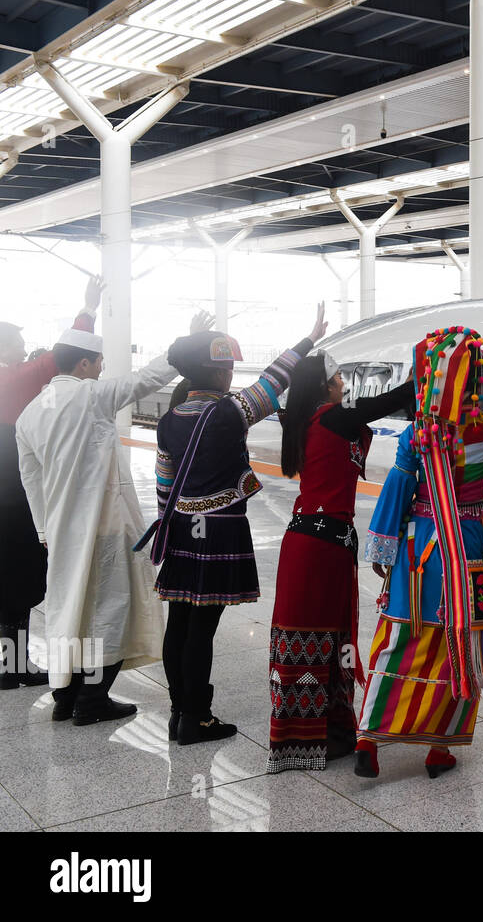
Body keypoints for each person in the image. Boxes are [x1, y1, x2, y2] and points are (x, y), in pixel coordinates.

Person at [15, 312, 209, 725]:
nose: (102, 368)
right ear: (84, 363)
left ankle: (65, 696)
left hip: (61, 531)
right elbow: (146, 379)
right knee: (111, 608)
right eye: (99, 361)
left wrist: (44, 530)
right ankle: (93, 699)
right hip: (104, 526)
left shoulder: (29, 413)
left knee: (69, 609)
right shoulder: (89, 395)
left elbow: (30, 480)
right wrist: (187, 344)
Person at [147, 306, 326, 745]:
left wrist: (170, 524)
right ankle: (196, 717)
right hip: (220, 528)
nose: (232, 376)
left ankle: (178, 711)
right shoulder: (229, 412)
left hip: (183, 528)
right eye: (228, 368)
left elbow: (163, 484)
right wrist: (306, 341)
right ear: (220, 374)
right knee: (202, 629)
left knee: (180, 622)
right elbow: (272, 382)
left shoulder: (170, 420)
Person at [354, 327, 483, 780]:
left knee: (400, 639)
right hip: (469, 548)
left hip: (420, 552)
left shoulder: (417, 434)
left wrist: (383, 547)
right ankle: (439, 748)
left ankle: (369, 739)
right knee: (459, 640)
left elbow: (398, 490)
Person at [267, 351, 416, 773]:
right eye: (337, 380)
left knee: (329, 638)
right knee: (314, 638)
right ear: (324, 387)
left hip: (321, 544)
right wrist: (423, 376)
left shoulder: (312, 418)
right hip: (318, 546)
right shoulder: (330, 416)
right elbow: (382, 403)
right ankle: (305, 737)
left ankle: (330, 732)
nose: (344, 386)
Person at [0, 274, 101, 689]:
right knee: (19, 582)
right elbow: (59, 357)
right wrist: (89, 308)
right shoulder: (12, 378)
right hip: (14, 499)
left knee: (9, 582)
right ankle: (11, 668)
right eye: (18, 345)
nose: (25, 351)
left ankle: (11, 666)